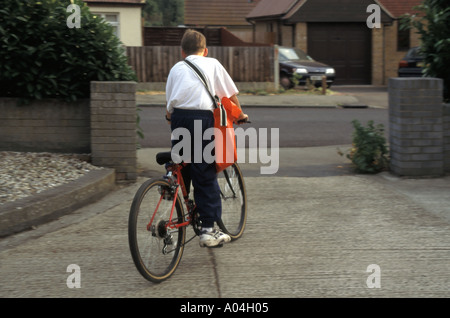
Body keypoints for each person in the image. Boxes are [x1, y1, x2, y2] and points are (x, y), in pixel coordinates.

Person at [165, 29, 248, 247]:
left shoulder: (176, 68)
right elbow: (229, 95)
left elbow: (168, 108)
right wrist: (240, 115)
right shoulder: (212, 64)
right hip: (201, 119)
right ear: (206, 50)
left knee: (183, 165)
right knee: (205, 170)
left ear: (182, 52)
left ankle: (173, 193)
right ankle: (208, 230)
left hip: (178, 118)